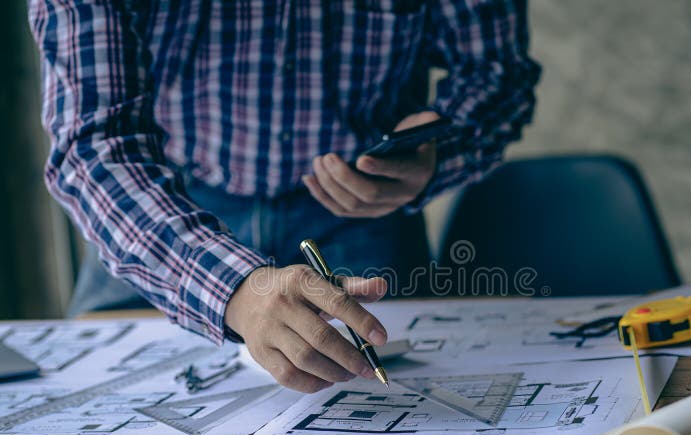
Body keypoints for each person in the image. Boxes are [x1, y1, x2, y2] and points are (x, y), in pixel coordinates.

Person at [29, 0, 540, 392]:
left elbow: (497, 75)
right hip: (163, 210)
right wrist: (232, 287)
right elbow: (93, 145)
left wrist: (440, 155)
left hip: (365, 213)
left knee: (398, 396)